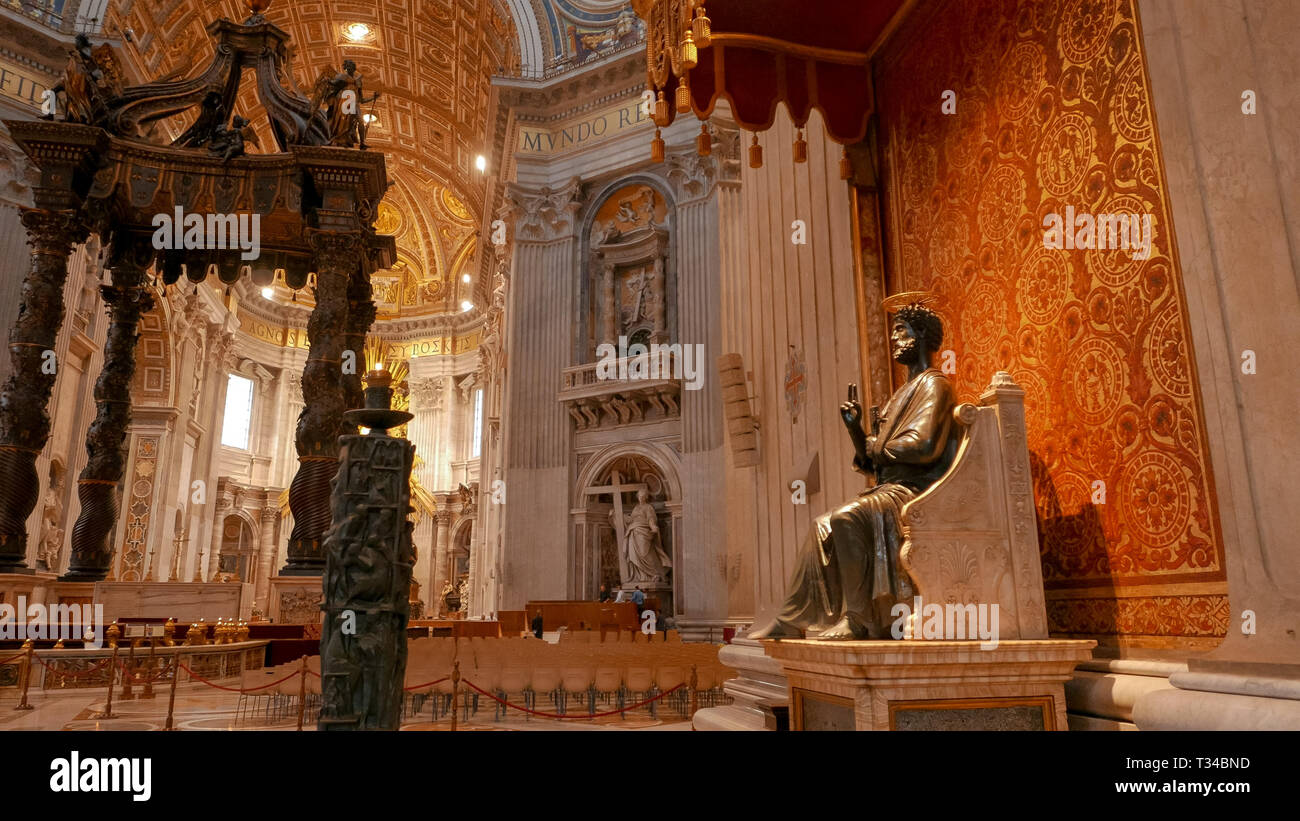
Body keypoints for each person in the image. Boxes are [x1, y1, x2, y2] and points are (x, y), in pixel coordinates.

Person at [750, 297, 958, 641]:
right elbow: (872, 461)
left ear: (921, 335)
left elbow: (922, 446)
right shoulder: (901, 393)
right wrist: (855, 428)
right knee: (821, 527)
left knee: (847, 517)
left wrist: (876, 445)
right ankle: (792, 618)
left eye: (901, 330)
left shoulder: (935, 385)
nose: (894, 338)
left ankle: (859, 620)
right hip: (888, 488)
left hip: (917, 491)